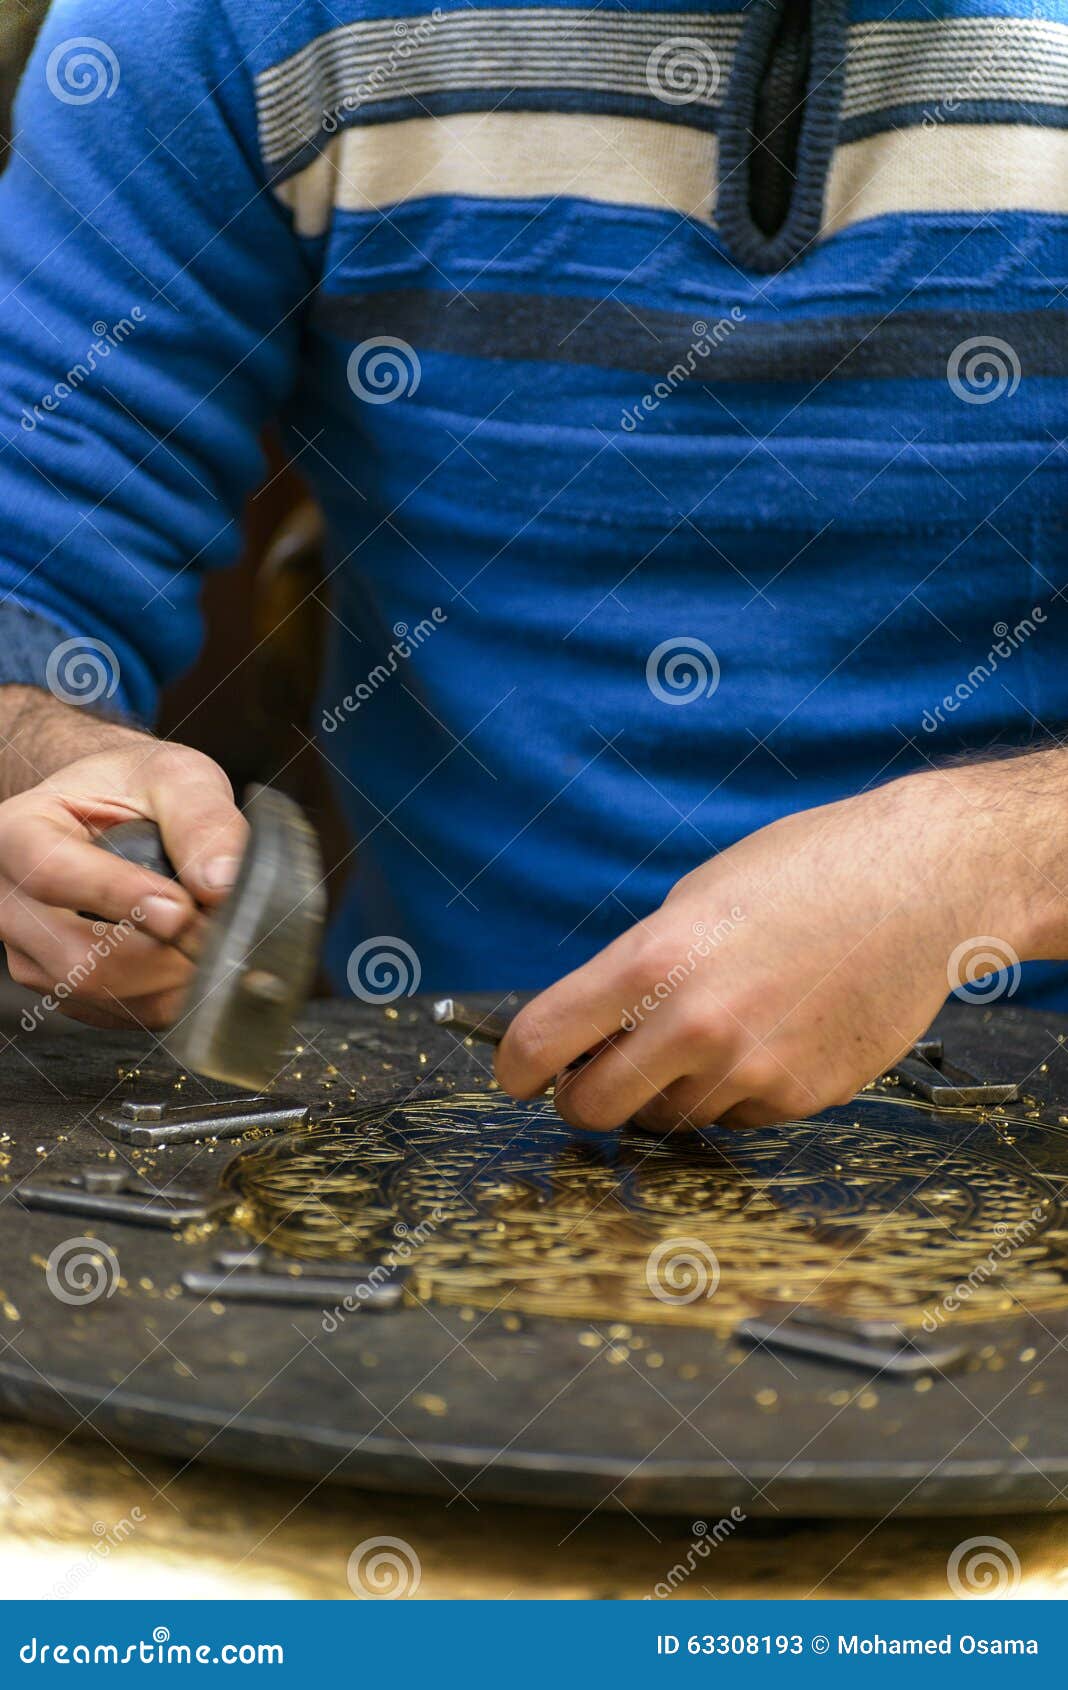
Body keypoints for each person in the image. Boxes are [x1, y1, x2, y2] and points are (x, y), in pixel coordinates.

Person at [0, 0, 1064, 1134]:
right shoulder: (216, 23)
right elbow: (34, 557)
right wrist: (50, 765)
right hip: (427, 1092)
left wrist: (971, 863)